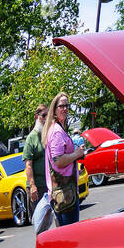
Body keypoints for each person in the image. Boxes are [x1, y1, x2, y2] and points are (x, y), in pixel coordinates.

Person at [43, 92, 84, 226]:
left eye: (67, 105)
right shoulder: (56, 131)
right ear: (54, 110)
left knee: (65, 237)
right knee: (70, 237)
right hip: (65, 193)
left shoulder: (57, 129)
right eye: (61, 106)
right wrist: (77, 154)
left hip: (64, 192)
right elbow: (58, 160)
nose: (65, 108)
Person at [22, 104, 48, 208]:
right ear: (37, 117)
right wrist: (32, 186)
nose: (46, 118)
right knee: (39, 222)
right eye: (43, 115)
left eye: (48, 115)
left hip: (49, 185)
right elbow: (28, 165)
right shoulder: (31, 138)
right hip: (38, 187)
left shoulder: (48, 135)